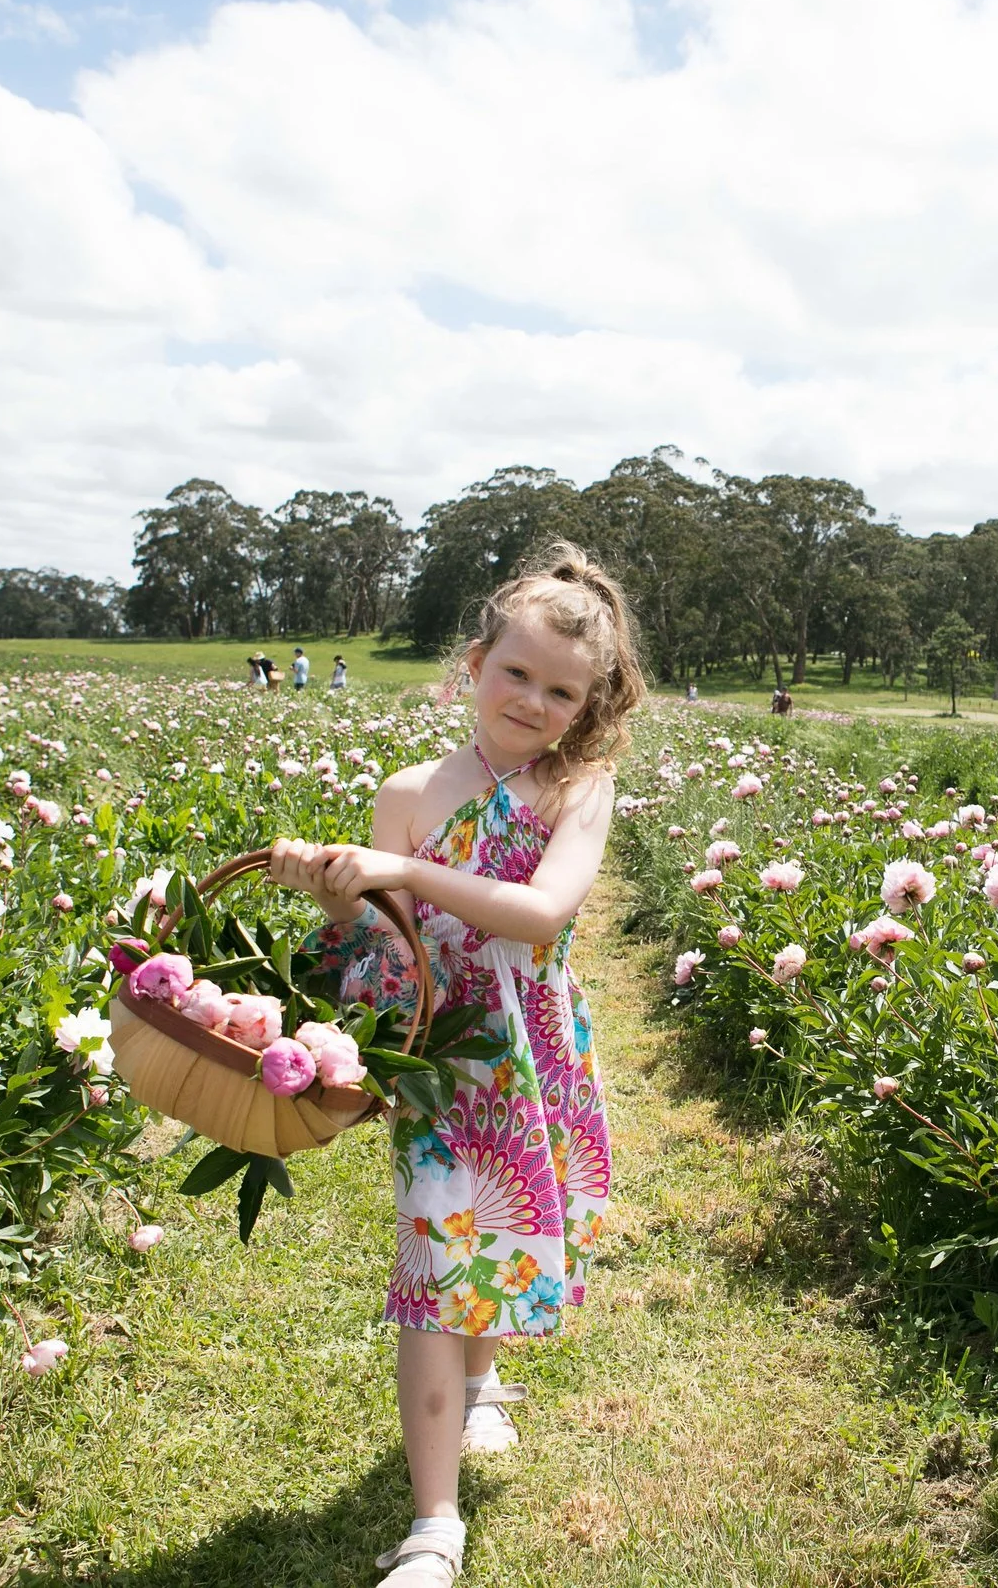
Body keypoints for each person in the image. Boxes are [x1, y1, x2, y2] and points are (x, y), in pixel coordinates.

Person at [267, 541, 644, 1588]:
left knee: (506, 1233)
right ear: (472, 663)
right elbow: (387, 950)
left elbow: (540, 911)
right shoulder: (410, 791)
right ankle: (435, 1526)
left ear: (588, 703)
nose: (533, 700)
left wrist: (400, 863)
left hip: (527, 1047)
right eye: (515, 672)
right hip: (439, 1054)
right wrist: (337, 892)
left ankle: (485, 1385)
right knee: (434, 1267)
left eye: (562, 689)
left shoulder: (581, 789)